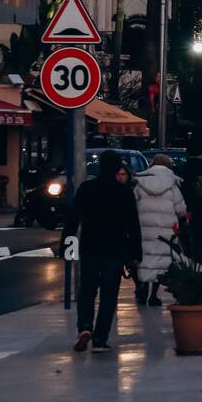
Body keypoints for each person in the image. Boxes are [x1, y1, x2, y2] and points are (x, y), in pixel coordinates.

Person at [60, 150, 141, 353]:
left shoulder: (87, 188)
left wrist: (67, 244)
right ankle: (100, 338)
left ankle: (85, 326)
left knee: (87, 291)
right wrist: (136, 252)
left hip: (90, 247)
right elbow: (134, 225)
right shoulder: (124, 192)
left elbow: (73, 219)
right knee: (109, 295)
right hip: (115, 249)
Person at [132, 155, 187, 306]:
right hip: (166, 230)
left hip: (144, 228)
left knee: (144, 259)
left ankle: (142, 288)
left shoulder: (140, 183)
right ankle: (154, 295)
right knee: (160, 261)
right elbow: (181, 209)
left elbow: (133, 205)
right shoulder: (172, 185)